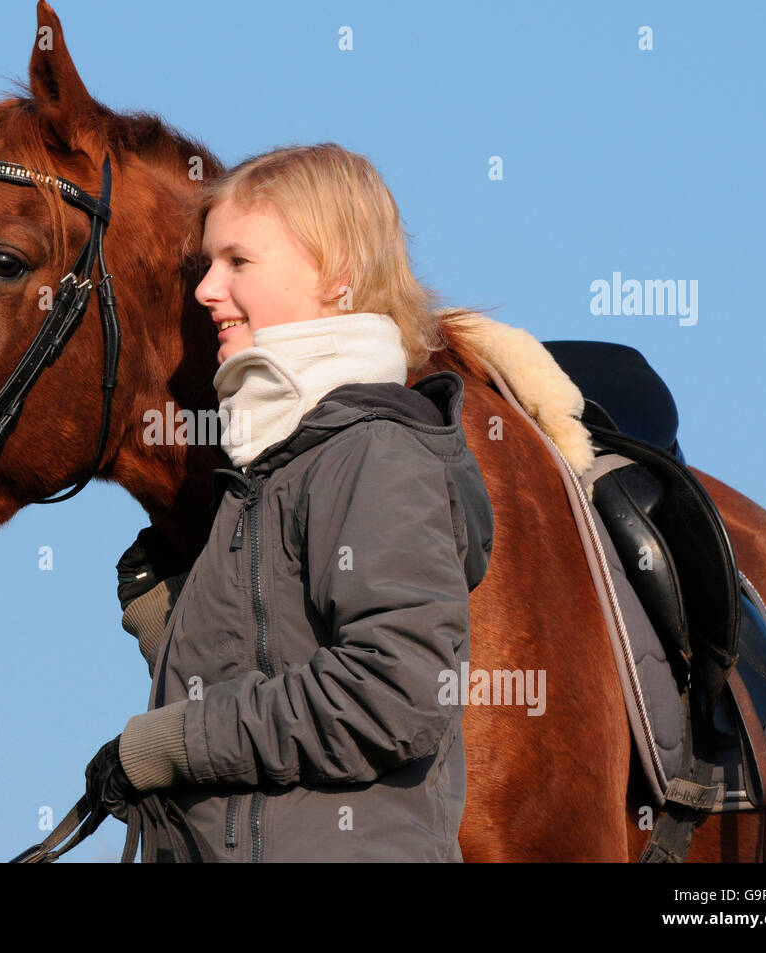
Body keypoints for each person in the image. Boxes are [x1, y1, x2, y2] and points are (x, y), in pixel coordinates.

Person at [84, 143, 494, 862]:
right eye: (207, 264)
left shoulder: (375, 453)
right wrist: (175, 625)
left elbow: (392, 692)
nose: (207, 289)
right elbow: (275, 672)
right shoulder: (278, 464)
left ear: (337, 274)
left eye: (238, 263)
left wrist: (171, 742)